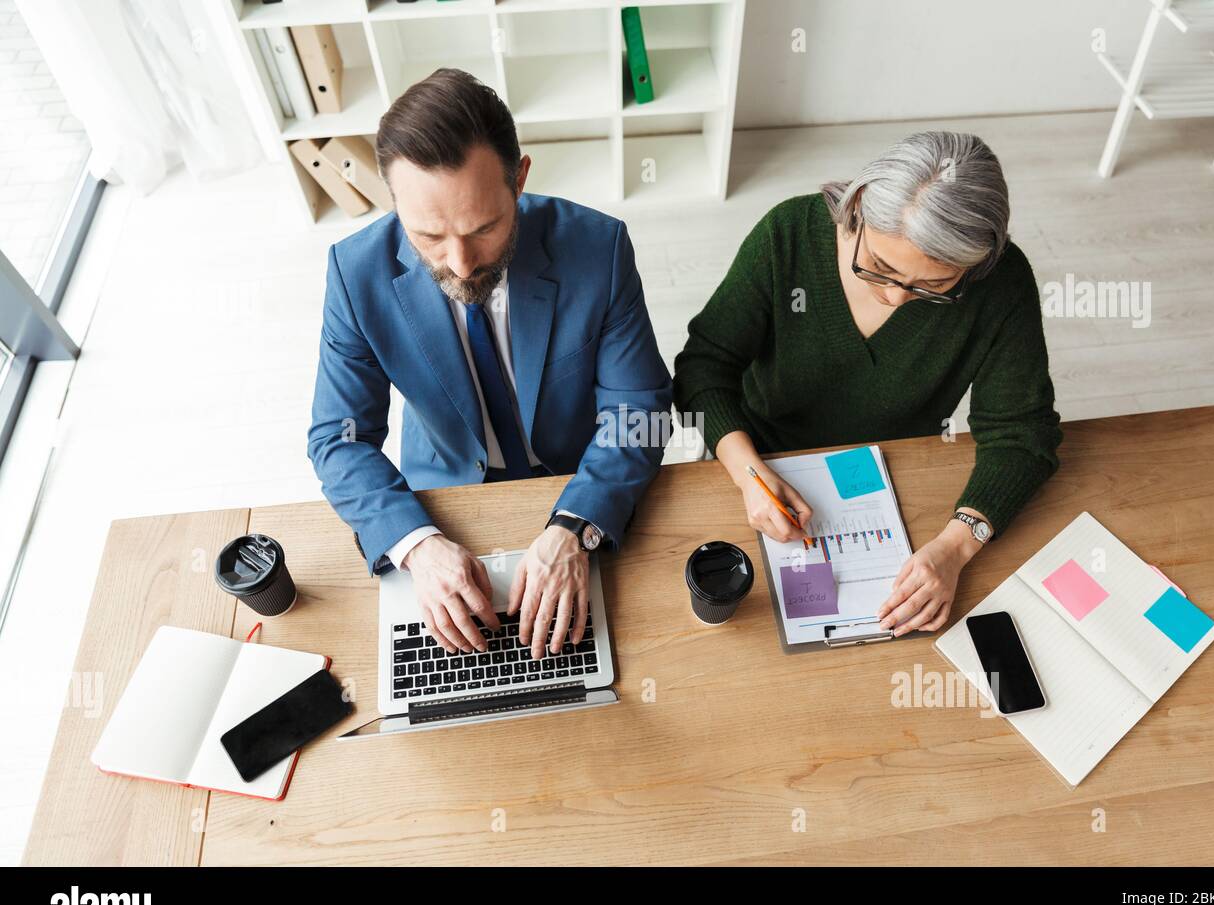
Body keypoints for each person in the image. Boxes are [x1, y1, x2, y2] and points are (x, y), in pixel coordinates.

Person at [308, 69, 671, 660]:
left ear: (520, 178)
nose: (461, 263)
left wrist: (579, 527)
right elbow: (337, 439)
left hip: (580, 483)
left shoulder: (599, 250)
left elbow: (642, 414)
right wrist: (416, 545)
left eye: (483, 228)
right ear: (394, 203)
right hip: (443, 503)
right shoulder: (356, 276)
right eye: (428, 235)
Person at [673, 131, 1063, 636]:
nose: (897, 298)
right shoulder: (788, 234)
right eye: (879, 267)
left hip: (892, 480)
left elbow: (1023, 434)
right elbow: (703, 365)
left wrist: (955, 547)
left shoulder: (1001, 284)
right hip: (752, 460)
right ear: (857, 207)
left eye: (933, 287)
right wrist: (747, 472)